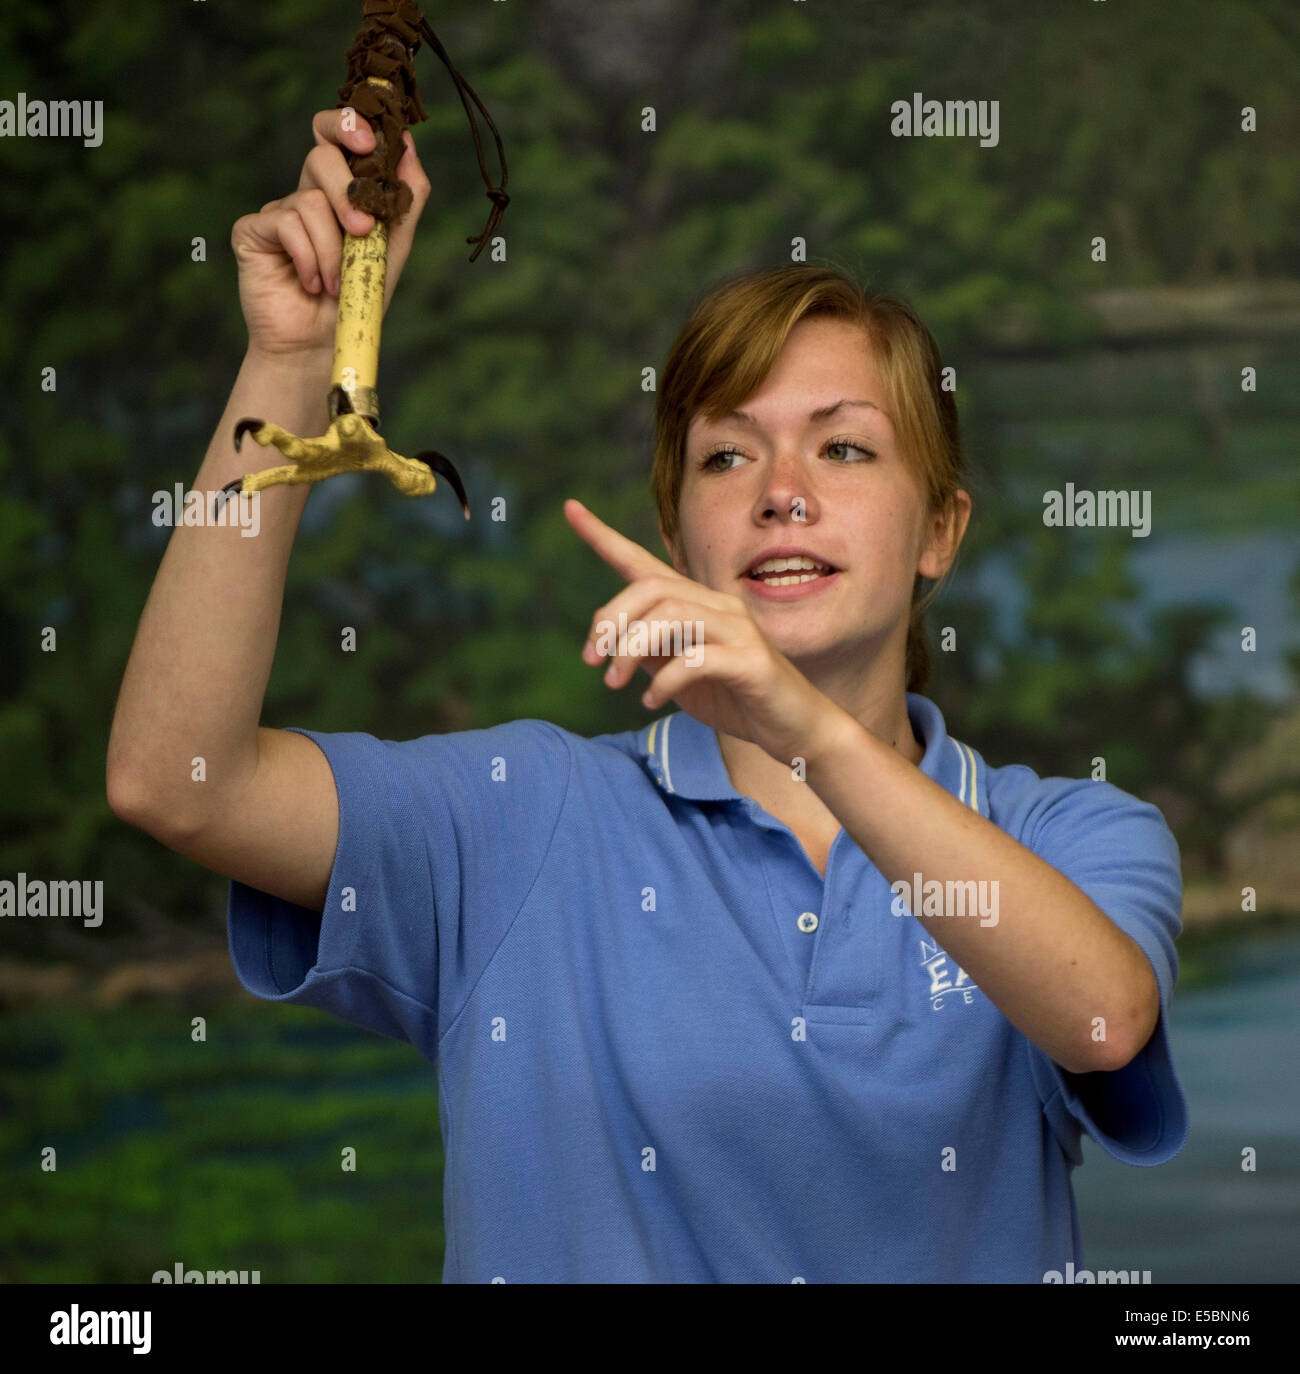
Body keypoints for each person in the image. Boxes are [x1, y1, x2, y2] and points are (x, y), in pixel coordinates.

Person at [107, 107, 1188, 1284]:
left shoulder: (1068, 834)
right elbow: (177, 781)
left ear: (940, 529)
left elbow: (1102, 1022)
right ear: (676, 533)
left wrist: (802, 724)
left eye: (843, 449)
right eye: (728, 455)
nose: (782, 492)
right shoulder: (521, 815)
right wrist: (293, 367)